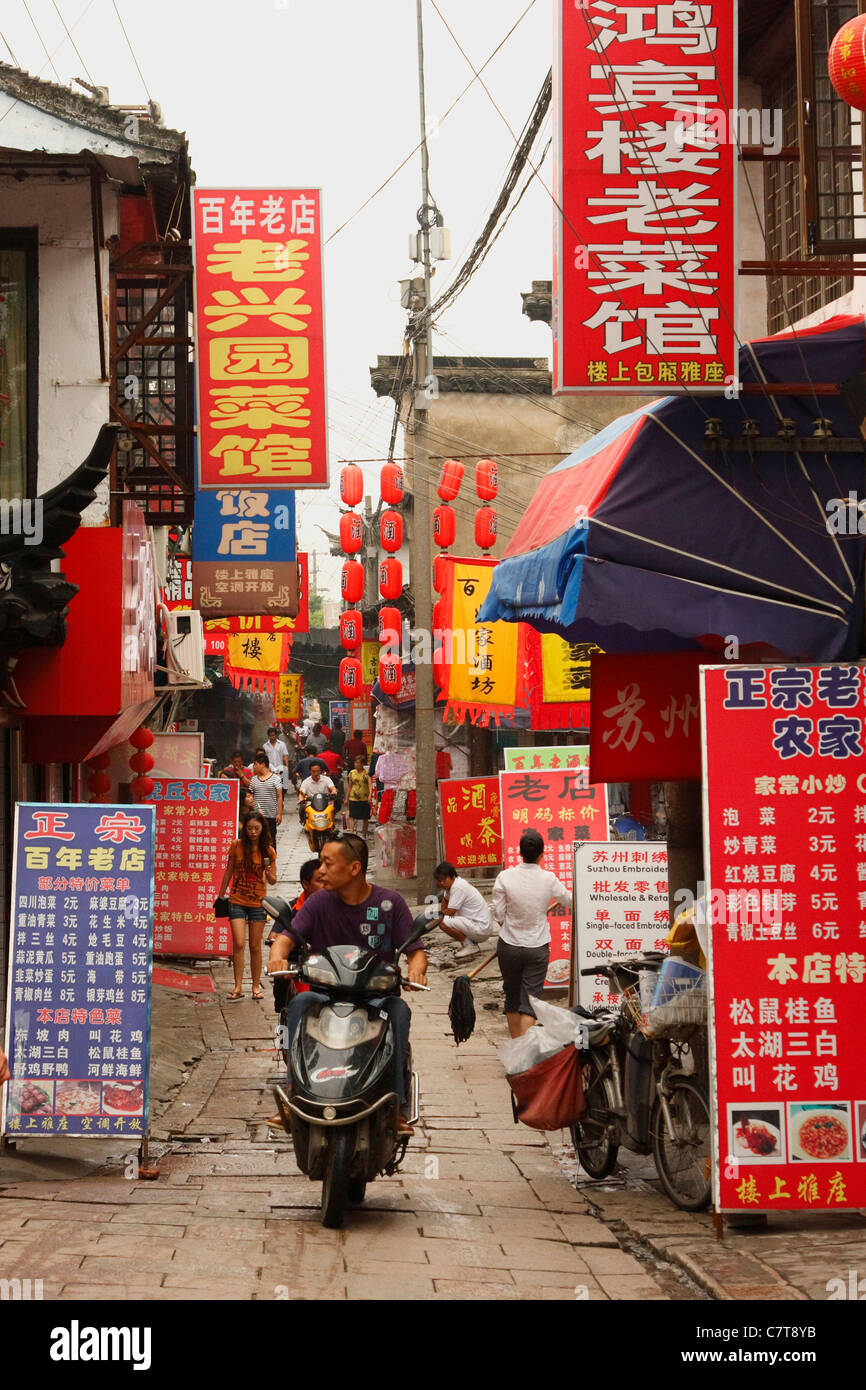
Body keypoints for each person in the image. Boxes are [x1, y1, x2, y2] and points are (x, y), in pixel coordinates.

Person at [267, 833, 427, 1132]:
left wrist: (416, 971)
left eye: (328, 863)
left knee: (399, 1011)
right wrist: (278, 956)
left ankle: (398, 1106)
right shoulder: (317, 904)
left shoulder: (390, 903)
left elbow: (415, 951)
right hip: (324, 997)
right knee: (299, 1003)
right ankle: (294, 1097)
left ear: (354, 868)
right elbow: (286, 939)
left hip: (375, 999)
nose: (322, 871)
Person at [491, 829, 571, 1039]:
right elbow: (570, 900)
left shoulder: (505, 876)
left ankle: (517, 1049)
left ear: (520, 853)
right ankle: (524, 1054)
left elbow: (498, 913)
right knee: (530, 1001)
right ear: (542, 854)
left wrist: (506, 924)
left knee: (511, 996)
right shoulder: (549, 878)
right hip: (537, 947)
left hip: (509, 945)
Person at [216, 812, 277, 1001]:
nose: (252, 832)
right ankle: (237, 986)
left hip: (258, 902)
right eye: (249, 828)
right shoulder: (236, 846)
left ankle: (256, 986)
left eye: (256, 828)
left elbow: (273, 881)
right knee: (239, 943)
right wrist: (220, 895)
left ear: (262, 829)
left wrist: (268, 872)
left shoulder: (268, 851)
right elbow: (229, 870)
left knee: (255, 946)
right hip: (236, 900)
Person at [432, 861, 494, 962]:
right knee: (442, 919)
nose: (442, 883)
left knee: (442, 922)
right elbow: (445, 901)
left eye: (444, 879)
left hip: (481, 928)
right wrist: (441, 913)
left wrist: (434, 918)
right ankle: (469, 942)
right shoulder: (451, 886)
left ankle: (470, 946)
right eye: (440, 881)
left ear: (452, 876)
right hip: (476, 924)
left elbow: (450, 912)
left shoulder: (458, 887)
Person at [250, 750, 283, 847]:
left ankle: (272, 860)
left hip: (271, 816)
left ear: (263, 764)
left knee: (271, 840)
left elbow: (280, 797)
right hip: (257, 817)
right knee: (257, 841)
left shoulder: (275, 779)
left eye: (255, 764)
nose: (254, 767)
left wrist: (279, 813)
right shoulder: (254, 779)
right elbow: (251, 796)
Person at [347, 754, 371, 837]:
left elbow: (370, 785)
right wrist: (346, 798)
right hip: (353, 797)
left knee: (365, 817)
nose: (356, 764)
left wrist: (370, 795)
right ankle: (351, 832)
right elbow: (350, 785)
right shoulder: (352, 773)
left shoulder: (367, 773)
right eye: (355, 762)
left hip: (364, 797)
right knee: (352, 815)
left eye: (358, 763)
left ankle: (364, 833)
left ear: (362, 764)